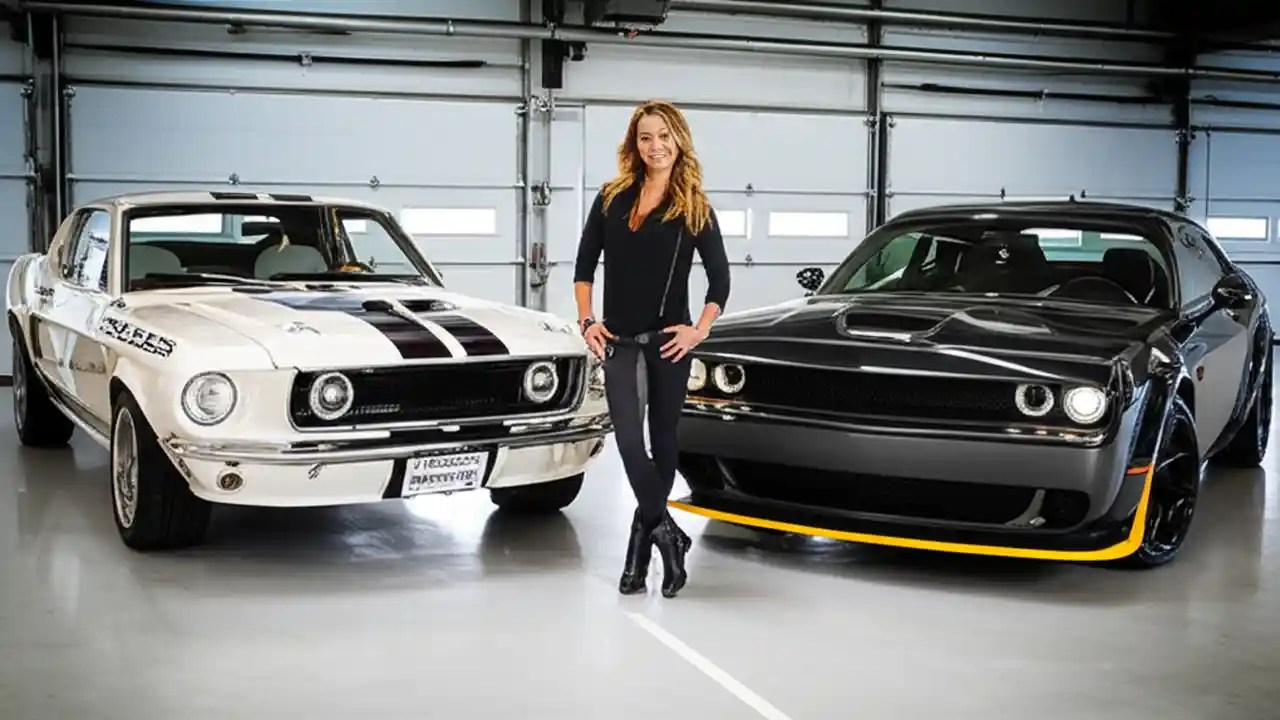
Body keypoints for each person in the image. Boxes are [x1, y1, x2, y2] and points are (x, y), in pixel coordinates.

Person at [572, 99, 731, 598]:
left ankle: (638, 555)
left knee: (663, 442)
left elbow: (720, 282)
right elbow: (583, 267)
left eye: (664, 136)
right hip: (619, 341)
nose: (655, 146)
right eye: (646, 137)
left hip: (668, 345)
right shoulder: (611, 198)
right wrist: (586, 321)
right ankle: (668, 533)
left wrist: (697, 330)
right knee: (627, 442)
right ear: (633, 144)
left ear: (678, 139)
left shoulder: (694, 206)